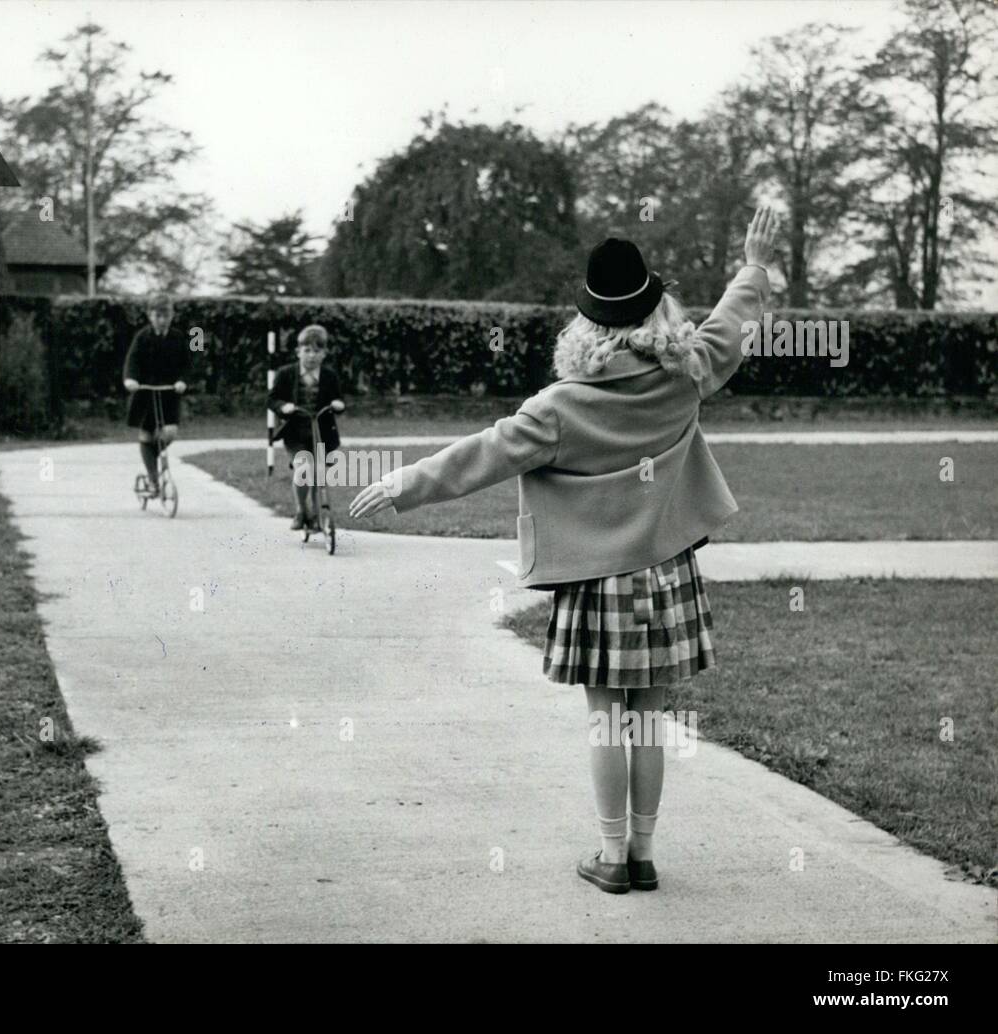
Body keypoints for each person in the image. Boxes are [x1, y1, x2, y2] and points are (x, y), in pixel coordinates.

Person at [351, 206, 781, 894]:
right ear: (656, 309)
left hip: (596, 585)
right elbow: (729, 326)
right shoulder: (685, 373)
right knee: (649, 719)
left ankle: (611, 857)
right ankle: (642, 854)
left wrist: (406, 482)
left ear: (587, 320)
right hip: (667, 576)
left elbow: (480, 455)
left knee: (608, 721)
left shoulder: (558, 406)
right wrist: (754, 264)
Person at [267, 325, 346, 530]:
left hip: (322, 431)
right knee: (303, 468)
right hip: (296, 431)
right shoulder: (286, 374)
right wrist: (284, 407)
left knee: (319, 473)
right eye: (307, 351)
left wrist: (338, 405)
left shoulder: (329, 376)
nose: (312, 356)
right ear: (298, 352)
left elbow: (338, 399)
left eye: (317, 351)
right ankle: (301, 511)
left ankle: (319, 515)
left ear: (324, 354)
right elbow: (272, 399)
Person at [122, 294, 190, 496]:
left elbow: (187, 363)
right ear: (150, 316)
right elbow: (131, 361)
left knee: (168, 433)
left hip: (169, 393)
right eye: (158, 315)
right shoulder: (142, 337)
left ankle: (150, 459)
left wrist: (182, 381)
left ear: (172, 315)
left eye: (166, 315)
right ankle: (153, 480)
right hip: (145, 394)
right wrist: (130, 380)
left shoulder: (179, 337)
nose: (162, 320)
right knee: (146, 436)